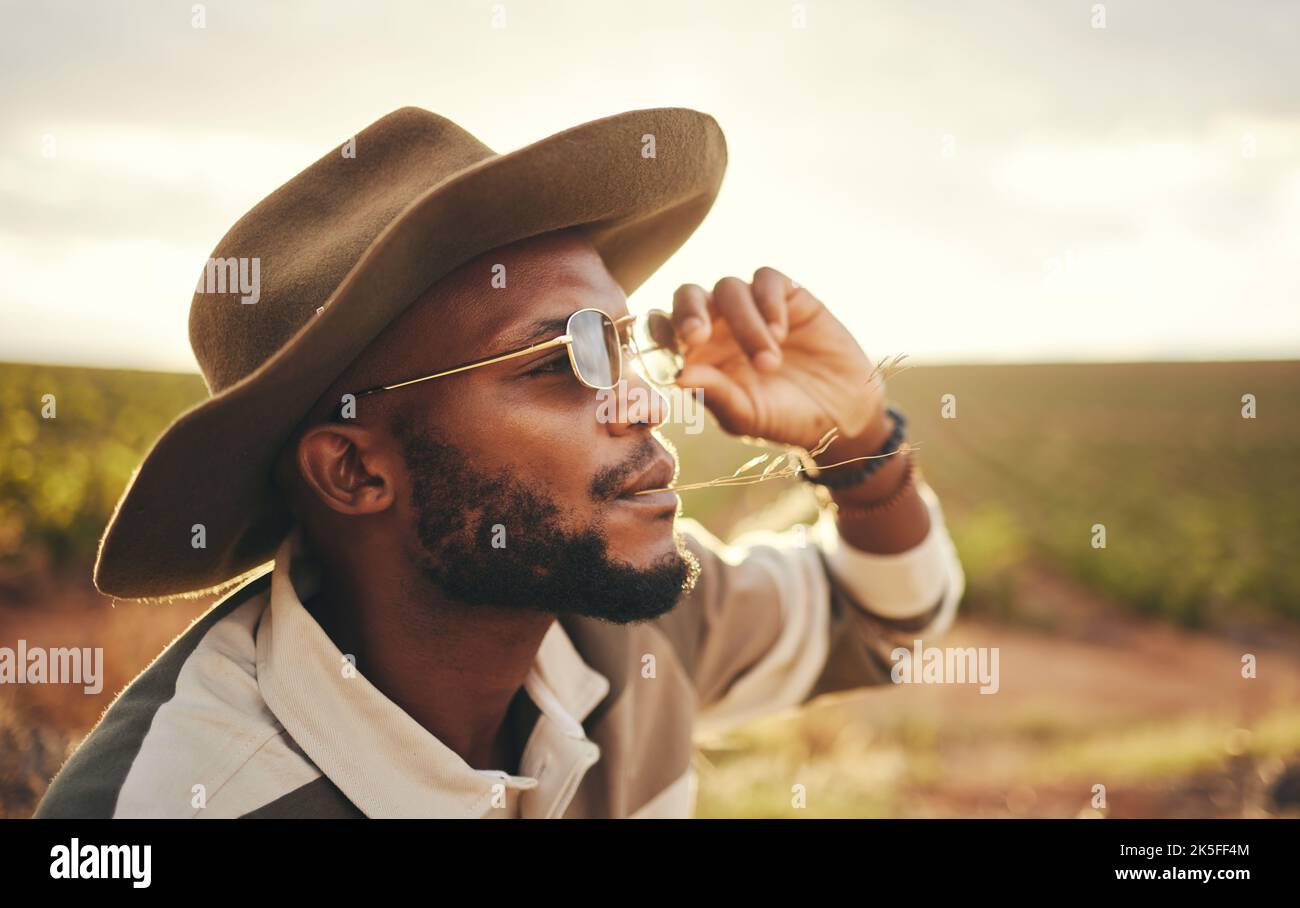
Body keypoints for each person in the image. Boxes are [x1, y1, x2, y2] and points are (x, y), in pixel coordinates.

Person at [35, 106, 963, 818]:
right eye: (563, 360)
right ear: (354, 471)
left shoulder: (616, 630)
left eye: (624, 343)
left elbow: (885, 625)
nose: (643, 399)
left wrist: (857, 440)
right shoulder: (182, 801)